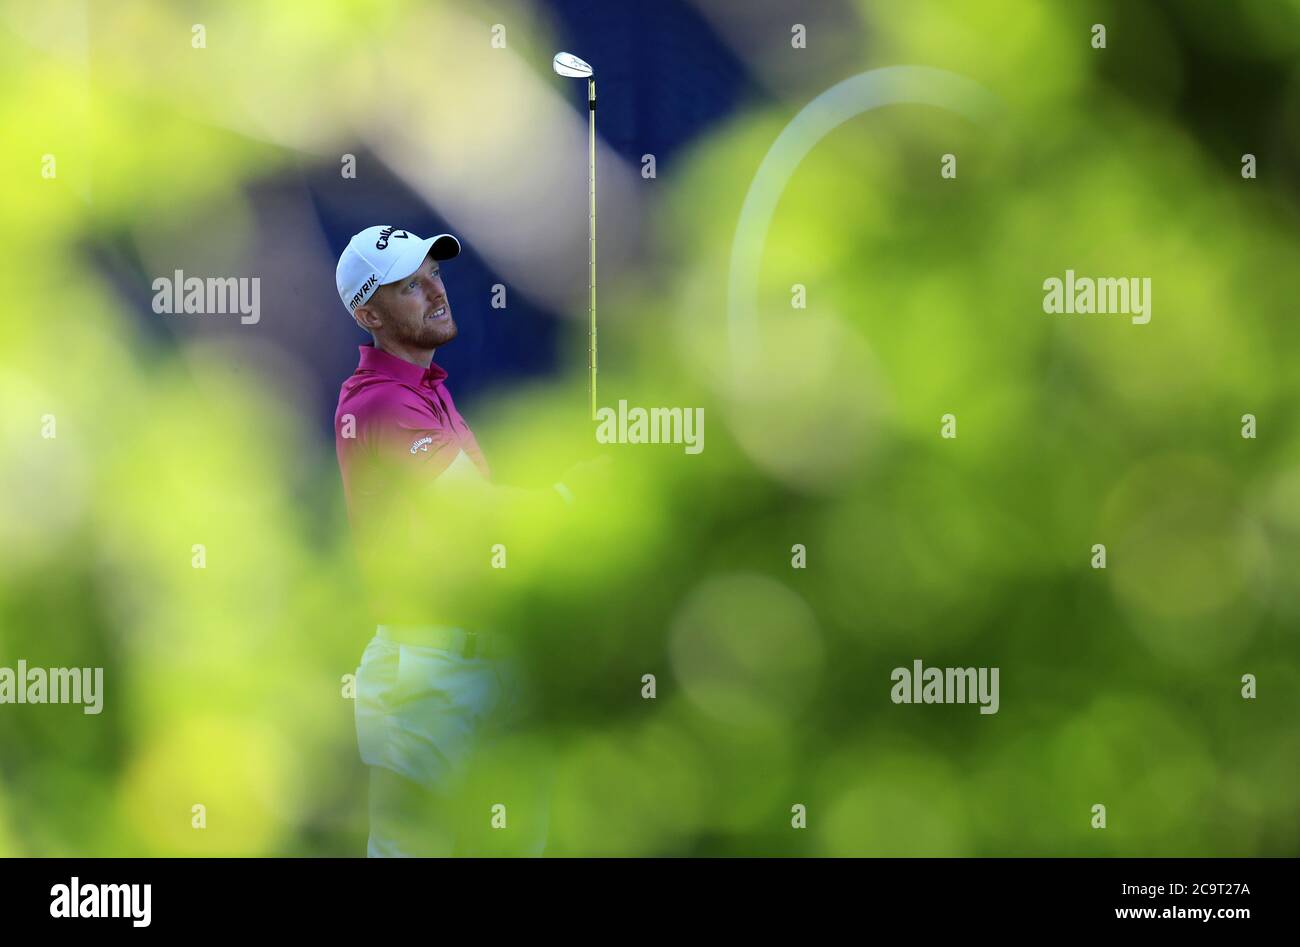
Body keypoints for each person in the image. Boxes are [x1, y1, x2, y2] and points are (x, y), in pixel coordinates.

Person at [333, 225, 556, 856]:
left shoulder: (424, 392)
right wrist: (576, 498)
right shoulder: (382, 401)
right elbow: (480, 517)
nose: (436, 292)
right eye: (411, 286)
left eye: (435, 276)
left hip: (478, 664)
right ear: (368, 313)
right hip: (428, 672)